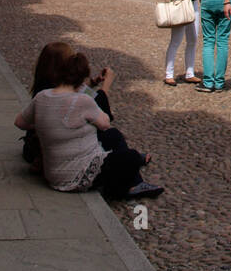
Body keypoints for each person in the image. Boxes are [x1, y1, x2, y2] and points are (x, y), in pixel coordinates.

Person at [14, 46, 161, 198]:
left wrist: (46, 122)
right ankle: (124, 189)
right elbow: (105, 123)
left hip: (53, 171)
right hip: (76, 172)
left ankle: (132, 180)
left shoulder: (42, 96)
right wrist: (105, 86)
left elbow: (20, 122)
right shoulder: (82, 100)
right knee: (128, 155)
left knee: (119, 146)